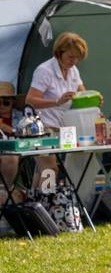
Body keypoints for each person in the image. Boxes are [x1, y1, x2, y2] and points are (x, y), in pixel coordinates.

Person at [24, 32, 97, 229]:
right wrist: (56, 101)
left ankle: (36, 212)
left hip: (63, 126)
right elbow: (30, 99)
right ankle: (47, 209)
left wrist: (93, 98)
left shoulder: (73, 71)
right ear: (59, 52)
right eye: (71, 57)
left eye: (77, 58)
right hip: (42, 127)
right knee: (50, 169)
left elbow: (82, 92)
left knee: (44, 172)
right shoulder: (45, 70)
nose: (74, 61)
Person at [0, 81, 18, 206]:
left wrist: (10, 129)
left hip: (16, 153)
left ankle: (5, 191)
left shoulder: (22, 116)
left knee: (10, 157)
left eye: (5, 101)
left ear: (13, 101)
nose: (1, 105)